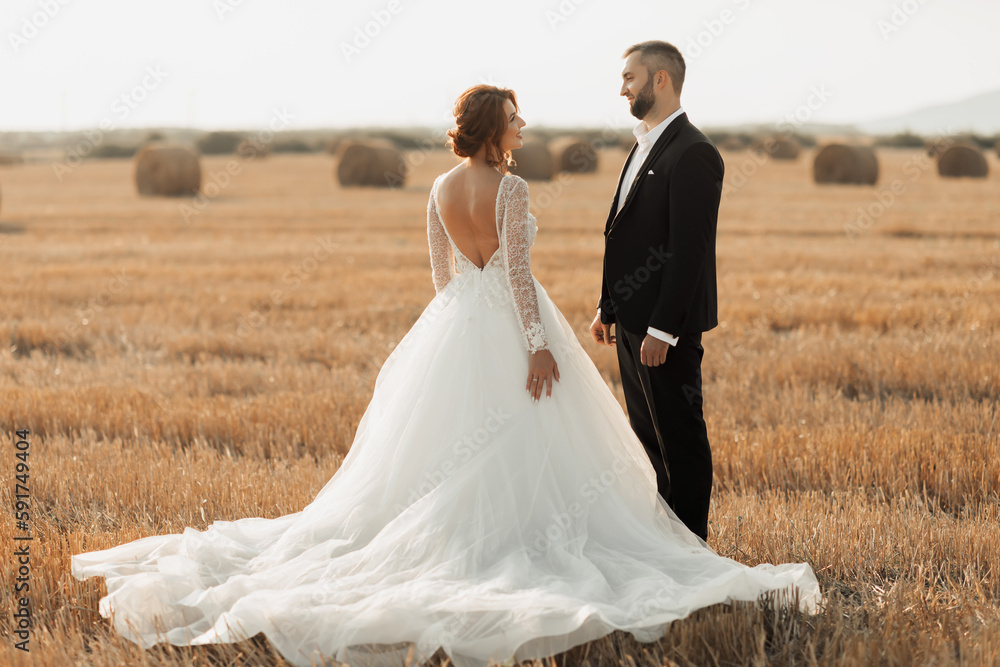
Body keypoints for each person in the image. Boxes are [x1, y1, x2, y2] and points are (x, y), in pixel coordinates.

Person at [72, 83, 821, 667]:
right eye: (516, 120)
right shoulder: (512, 190)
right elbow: (519, 277)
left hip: (457, 323)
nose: (524, 128)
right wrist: (536, 345)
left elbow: (442, 278)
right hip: (511, 324)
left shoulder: (437, 188)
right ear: (495, 129)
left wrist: (464, 323)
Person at [591, 41, 722, 543]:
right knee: (649, 442)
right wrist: (608, 305)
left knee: (679, 442)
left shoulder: (694, 152)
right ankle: (667, 550)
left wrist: (663, 329)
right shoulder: (644, 143)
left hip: (663, 329)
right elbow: (623, 231)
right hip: (631, 321)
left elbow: (689, 251)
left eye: (630, 77)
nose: (622, 88)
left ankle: (693, 553)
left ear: (660, 79)